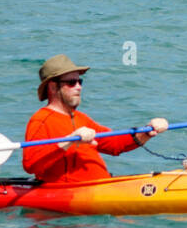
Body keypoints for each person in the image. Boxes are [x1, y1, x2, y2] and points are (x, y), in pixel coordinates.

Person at [24, 54, 168, 183]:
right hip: (69, 194)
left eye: (80, 81)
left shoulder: (81, 119)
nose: (79, 87)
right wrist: (68, 141)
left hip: (102, 187)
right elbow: (30, 164)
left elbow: (114, 144)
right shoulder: (41, 120)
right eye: (71, 82)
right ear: (53, 87)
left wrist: (147, 131)